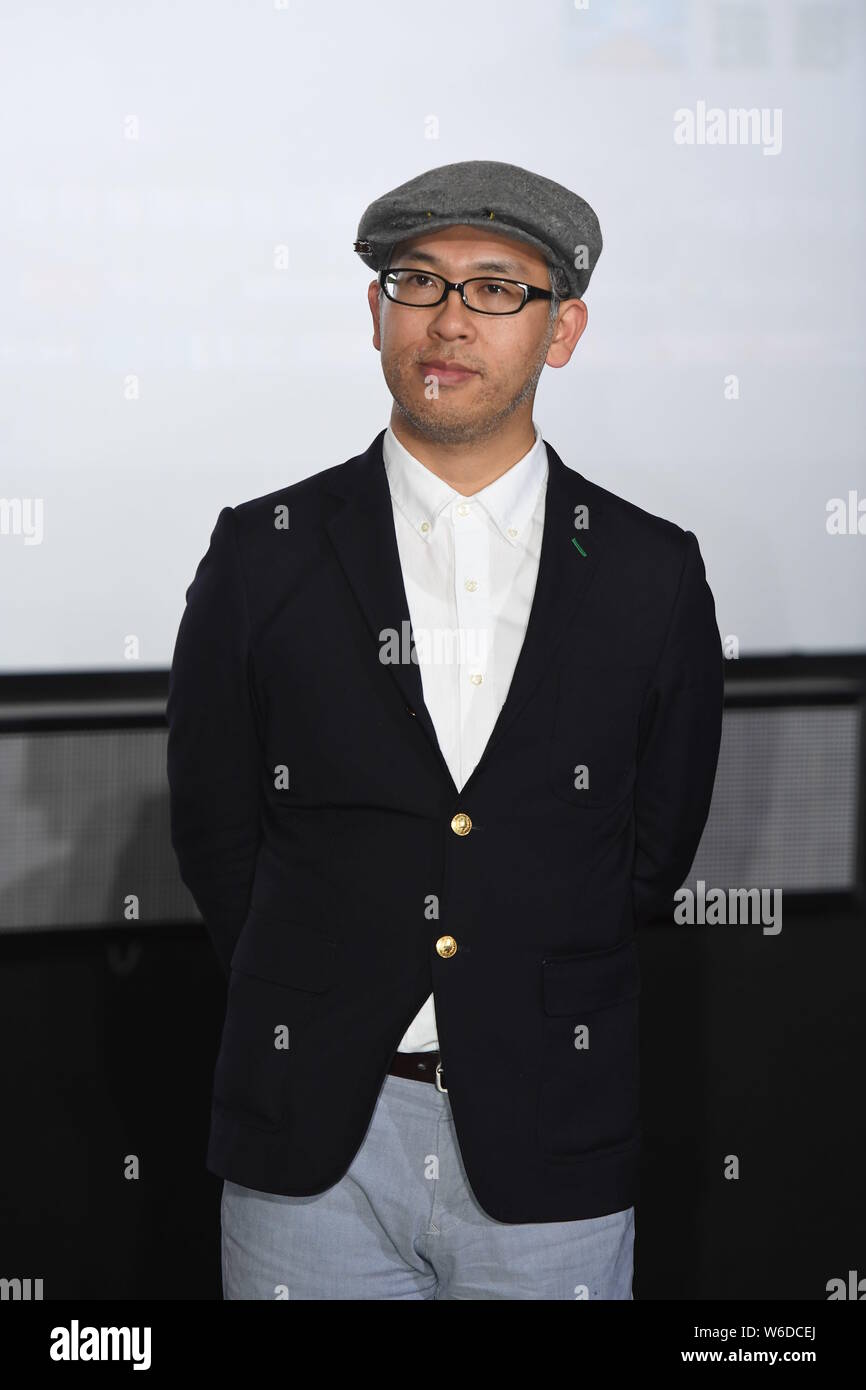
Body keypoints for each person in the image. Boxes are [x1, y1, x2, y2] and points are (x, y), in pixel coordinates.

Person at [166, 159, 725, 1300]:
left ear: (560, 329)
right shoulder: (263, 549)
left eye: (495, 288)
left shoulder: (645, 571)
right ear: (375, 313)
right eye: (417, 281)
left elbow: (649, 852)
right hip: (312, 1134)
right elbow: (215, 830)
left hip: (547, 1132)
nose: (449, 319)